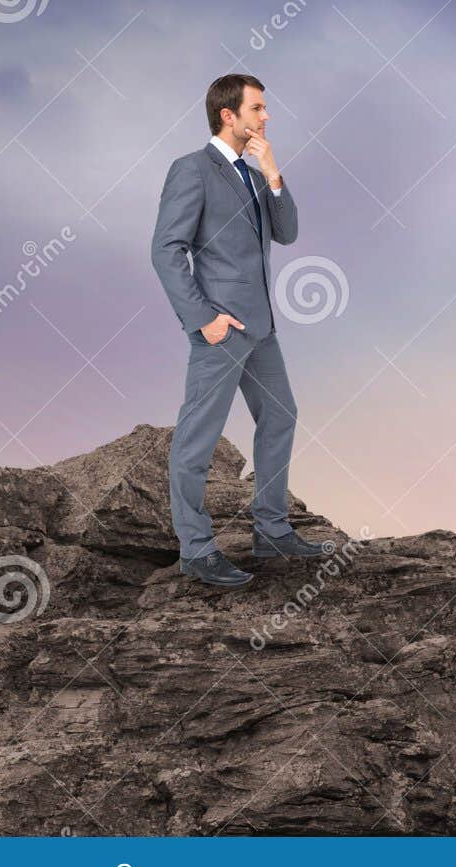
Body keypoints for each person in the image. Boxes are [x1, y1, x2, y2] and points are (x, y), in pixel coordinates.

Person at [151, 73, 325, 586]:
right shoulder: (192, 170)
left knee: (281, 415)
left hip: (262, 327)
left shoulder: (251, 172)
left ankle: (271, 531)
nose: (266, 116)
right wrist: (203, 318)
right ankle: (196, 550)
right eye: (258, 108)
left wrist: (272, 172)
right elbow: (165, 250)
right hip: (221, 330)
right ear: (229, 115)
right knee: (197, 441)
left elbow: (288, 233)